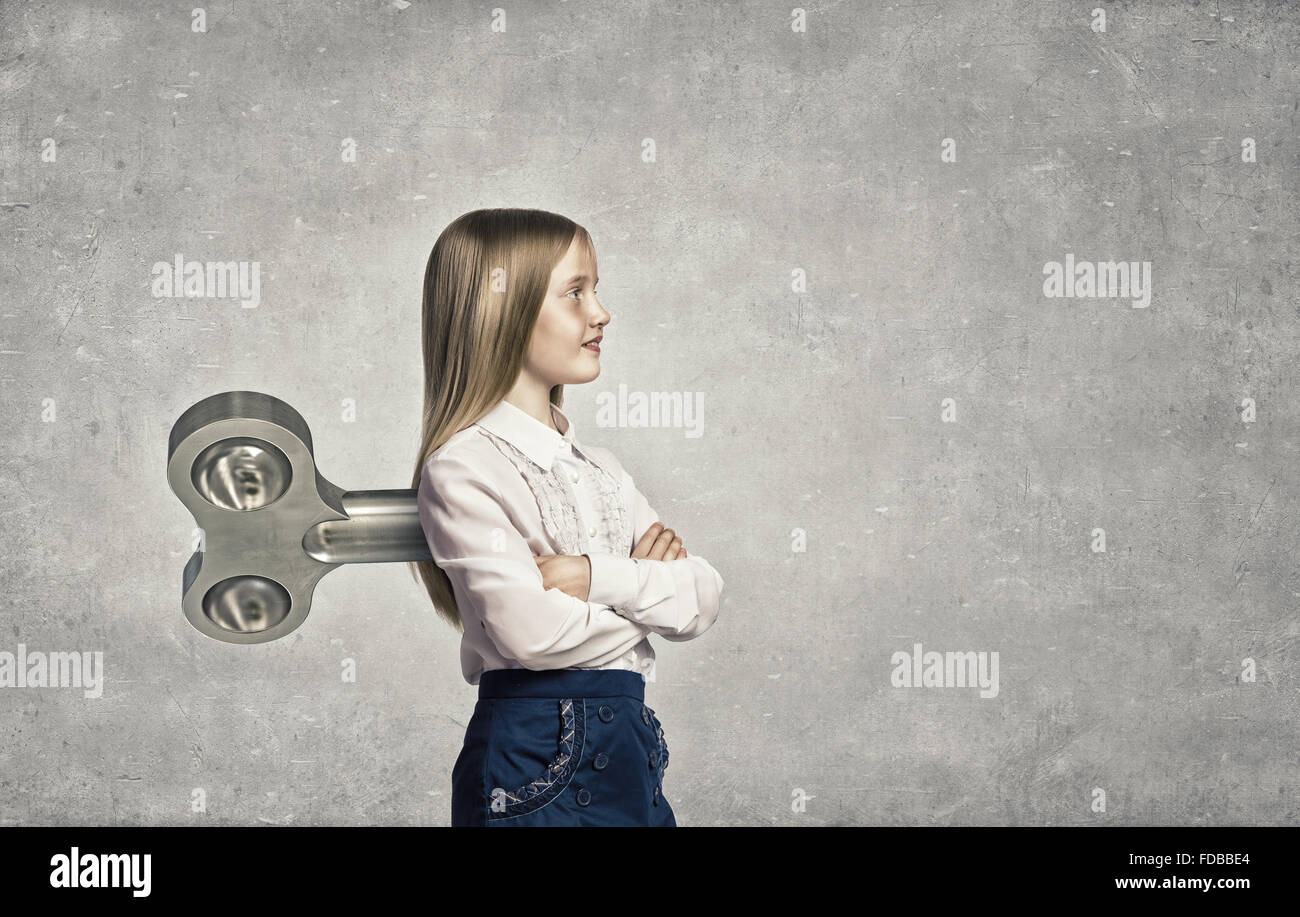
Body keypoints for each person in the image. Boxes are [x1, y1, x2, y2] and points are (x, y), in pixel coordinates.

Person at [408, 208, 725, 826]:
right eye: (575, 292)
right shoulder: (463, 468)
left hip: (630, 749)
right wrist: (643, 598)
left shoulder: (602, 468)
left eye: (596, 290)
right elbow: (531, 633)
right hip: (536, 764)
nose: (600, 312)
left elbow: (702, 597)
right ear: (502, 312)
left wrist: (589, 576)